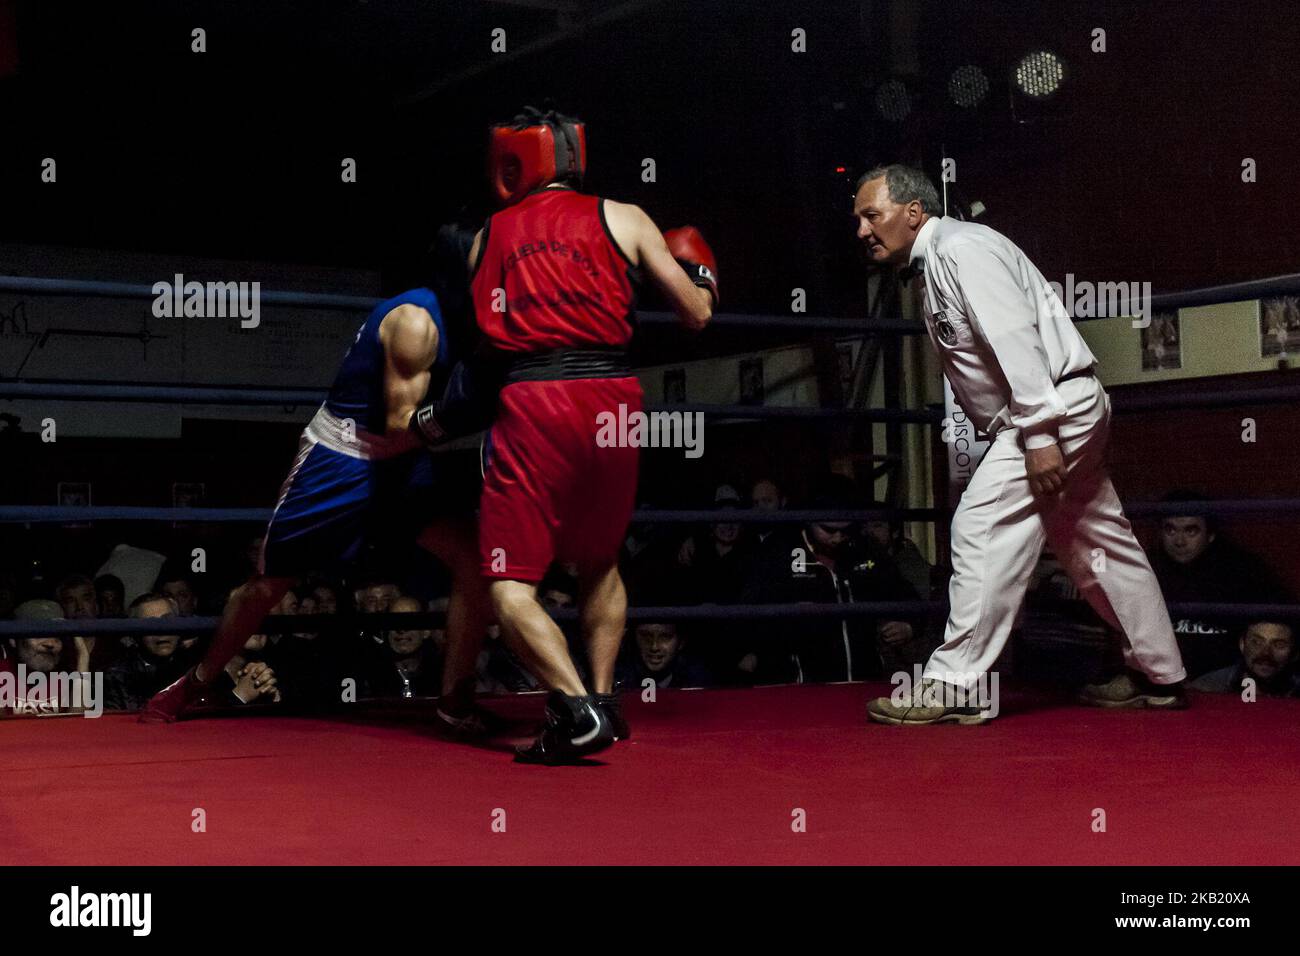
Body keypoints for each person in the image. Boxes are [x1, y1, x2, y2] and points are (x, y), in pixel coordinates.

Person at [851, 164, 1186, 725]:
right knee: (1095, 540)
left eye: (871, 215)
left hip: (1052, 408)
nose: (862, 230)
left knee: (981, 526)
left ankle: (954, 684)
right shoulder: (941, 259)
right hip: (1060, 406)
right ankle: (1160, 673)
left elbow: (1013, 335)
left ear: (914, 213)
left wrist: (1039, 433)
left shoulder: (962, 250)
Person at [141, 264, 493, 732]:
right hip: (342, 458)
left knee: (474, 559)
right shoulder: (416, 322)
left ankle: (455, 702)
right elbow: (397, 423)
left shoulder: (488, 318)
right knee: (269, 586)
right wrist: (461, 415)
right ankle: (198, 680)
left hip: (402, 462)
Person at [470, 107, 716, 762]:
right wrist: (701, 278)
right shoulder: (626, 216)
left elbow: (479, 343)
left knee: (507, 584)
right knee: (600, 558)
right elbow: (695, 315)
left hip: (534, 397)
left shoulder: (488, 234)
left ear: (515, 160)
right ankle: (605, 700)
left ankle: (577, 709)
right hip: (614, 400)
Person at [1188, 621, 1298, 697]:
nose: (1266, 653)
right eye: (1256, 642)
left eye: (1279, 645)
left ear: (1295, 652)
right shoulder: (1208, 688)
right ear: (1242, 644)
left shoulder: (1296, 692)